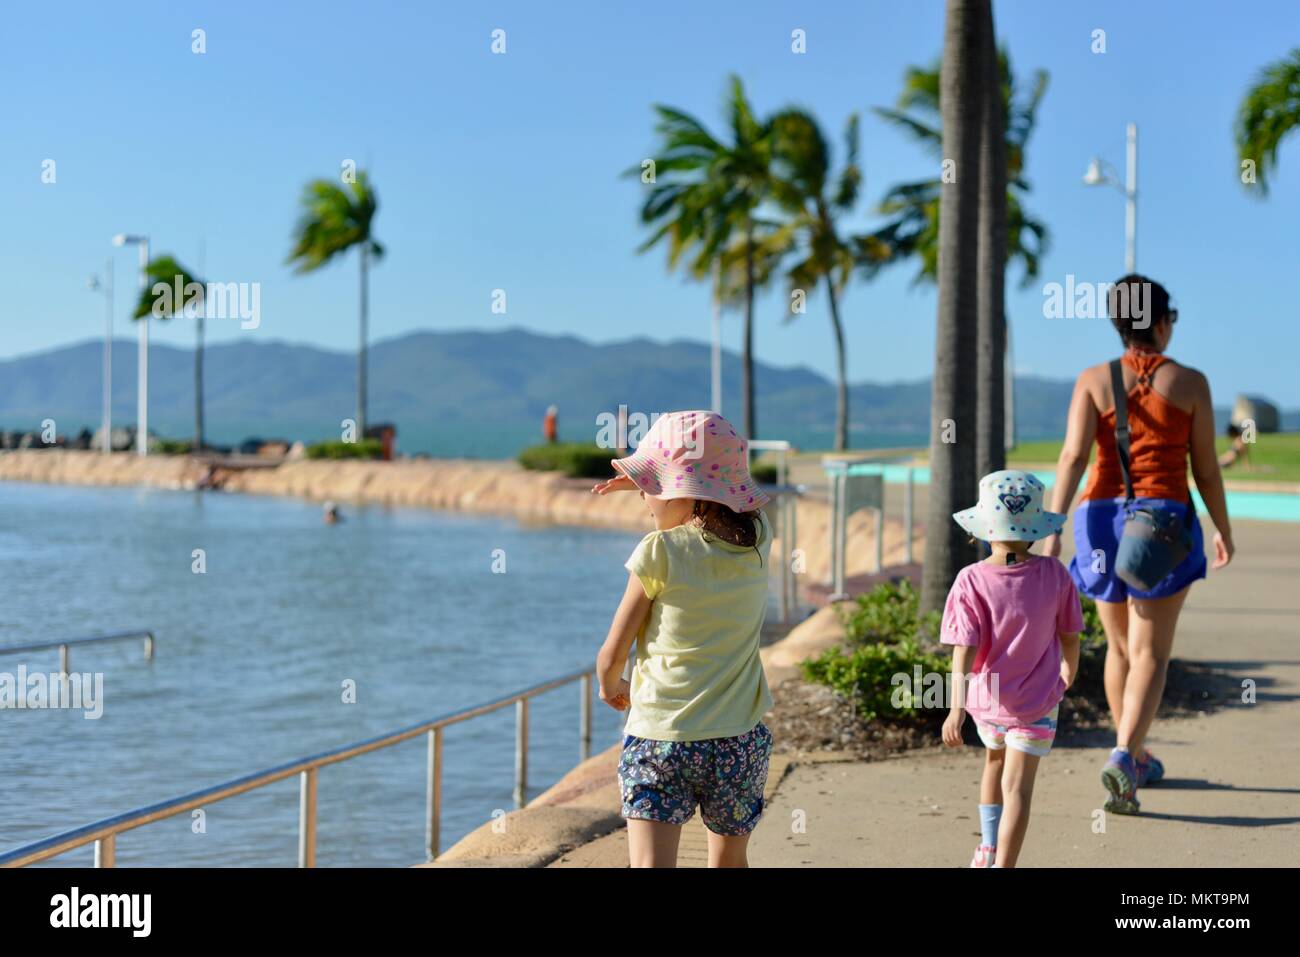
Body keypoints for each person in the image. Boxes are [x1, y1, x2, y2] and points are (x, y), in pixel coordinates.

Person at [1045, 274, 1234, 815]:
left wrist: (1054, 525)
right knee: (1151, 652)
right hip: (1162, 523)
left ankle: (1135, 751)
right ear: (1157, 321)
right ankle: (1125, 755)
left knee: (1122, 649)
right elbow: (1207, 470)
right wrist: (1222, 527)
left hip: (1099, 521)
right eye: (1171, 315)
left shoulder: (1092, 379)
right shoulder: (1191, 382)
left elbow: (1072, 458)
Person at [591, 410, 773, 868]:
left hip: (661, 739)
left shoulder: (659, 551)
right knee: (730, 861)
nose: (644, 500)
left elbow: (612, 652)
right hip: (736, 740)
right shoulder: (758, 540)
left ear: (677, 492)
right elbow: (715, 504)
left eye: (650, 488)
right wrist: (656, 486)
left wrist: (610, 685)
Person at [942, 470, 1082, 868]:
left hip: (987, 704)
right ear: (1035, 529)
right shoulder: (1055, 574)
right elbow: (1070, 636)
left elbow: (963, 652)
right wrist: (1069, 670)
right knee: (1018, 788)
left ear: (985, 529)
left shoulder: (970, 580)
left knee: (994, 763)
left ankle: (988, 847)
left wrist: (956, 708)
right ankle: (1003, 864)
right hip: (1038, 704)